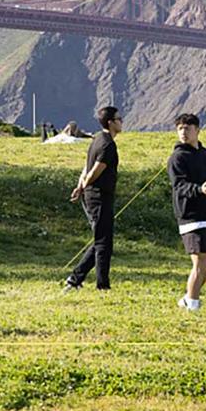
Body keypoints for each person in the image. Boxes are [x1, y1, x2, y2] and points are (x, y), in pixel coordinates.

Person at [64, 106, 122, 291]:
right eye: (118, 119)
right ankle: (102, 286)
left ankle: (75, 278)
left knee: (101, 239)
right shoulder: (107, 145)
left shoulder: (98, 139)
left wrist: (80, 186)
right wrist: (83, 186)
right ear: (111, 123)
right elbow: (95, 170)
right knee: (104, 243)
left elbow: (85, 167)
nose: (121, 122)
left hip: (95, 196)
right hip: (99, 197)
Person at [166, 113, 206, 312]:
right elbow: (179, 186)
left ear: (197, 130)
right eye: (180, 128)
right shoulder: (177, 157)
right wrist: (199, 190)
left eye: (187, 128)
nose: (183, 132)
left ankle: (188, 297)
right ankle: (193, 306)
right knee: (200, 262)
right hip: (190, 217)